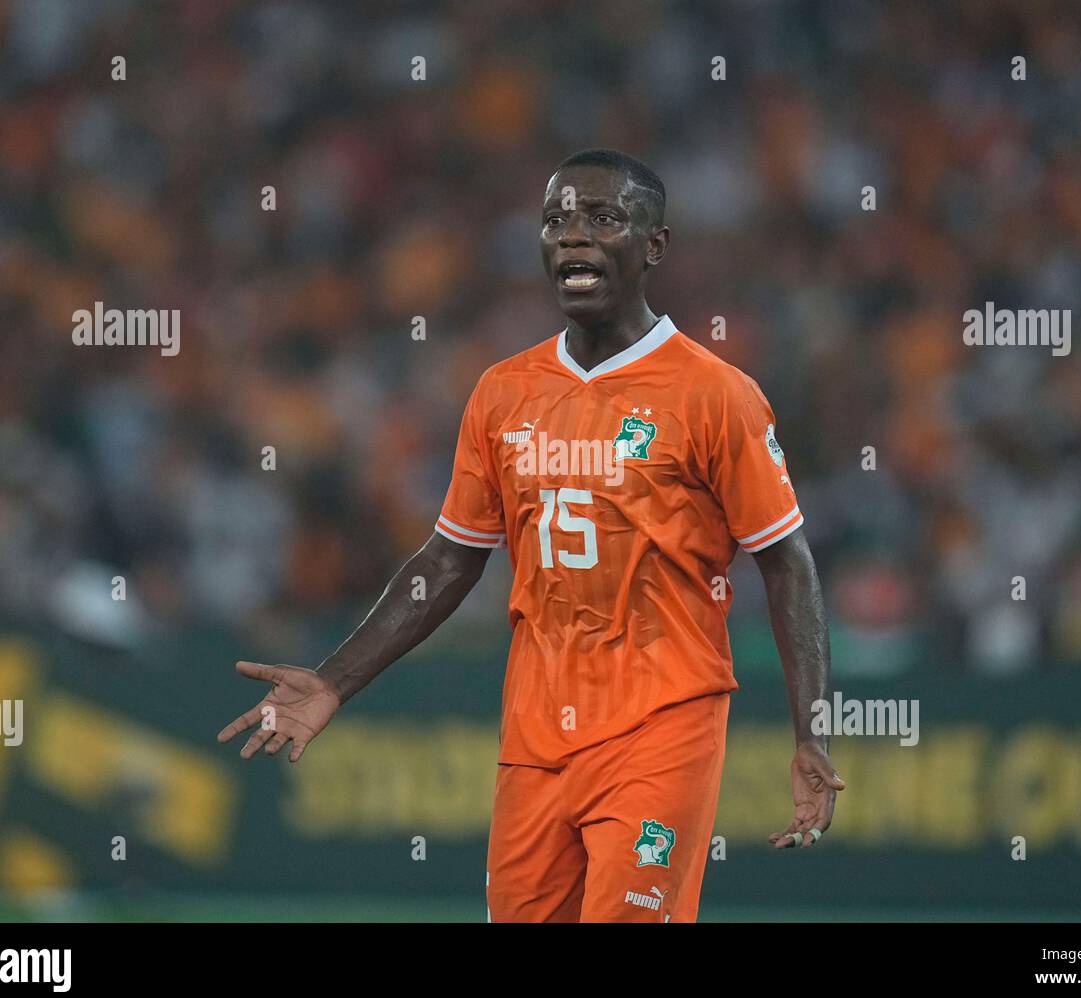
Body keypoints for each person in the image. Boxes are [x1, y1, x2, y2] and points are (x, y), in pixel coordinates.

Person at [217, 148, 845, 922]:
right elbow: (450, 558)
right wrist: (335, 679)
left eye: (601, 219)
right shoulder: (502, 393)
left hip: (661, 725)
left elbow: (787, 561)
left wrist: (812, 730)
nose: (573, 237)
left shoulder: (715, 395)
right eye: (555, 221)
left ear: (655, 245)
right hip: (535, 736)